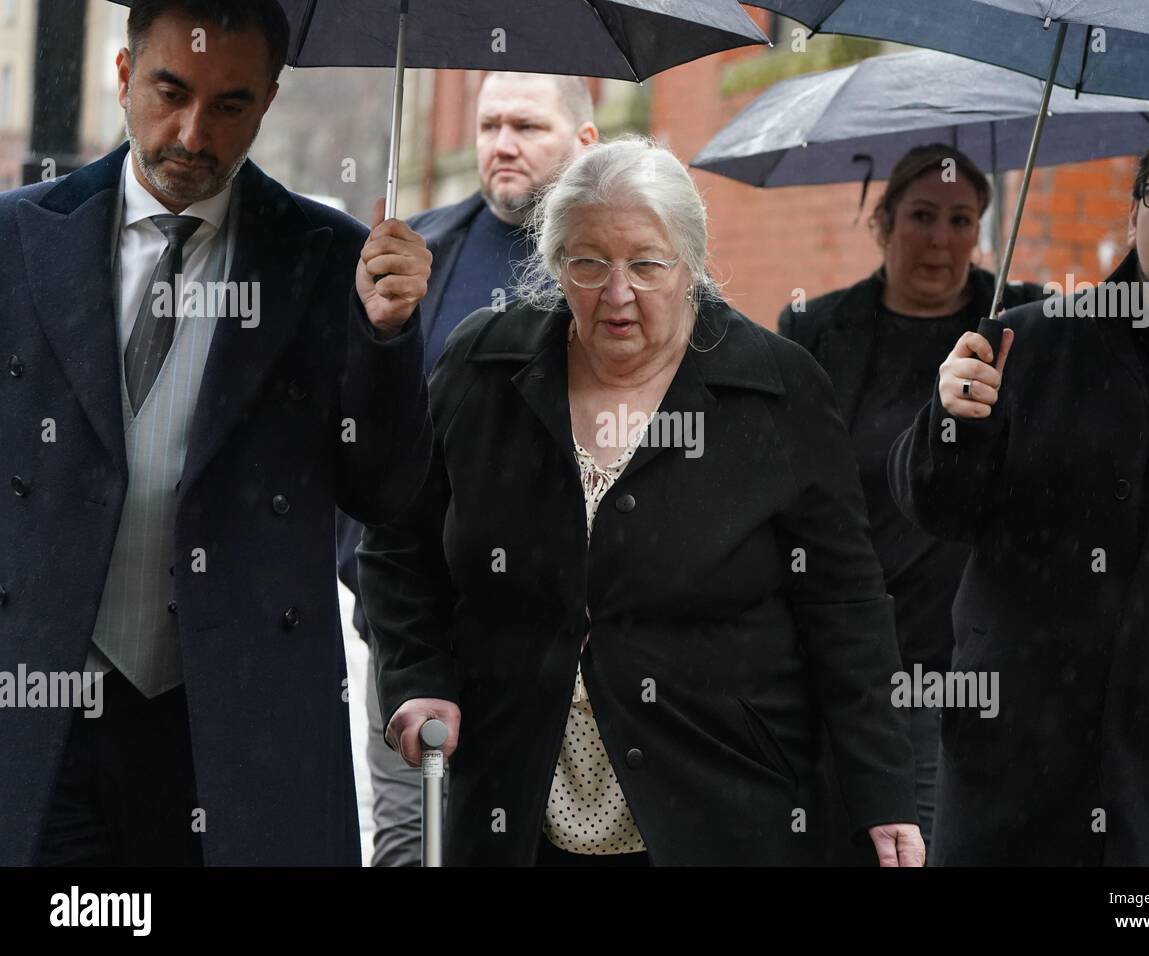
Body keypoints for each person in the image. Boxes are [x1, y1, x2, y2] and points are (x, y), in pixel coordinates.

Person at [358, 137, 924, 866]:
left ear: (691, 266)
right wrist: (417, 680)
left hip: (720, 804)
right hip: (515, 794)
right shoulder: (483, 364)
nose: (617, 294)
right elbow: (399, 539)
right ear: (555, 264)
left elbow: (846, 606)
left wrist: (882, 796)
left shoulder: (777, 389)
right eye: (588, 263)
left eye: (647, 264)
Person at [0, 0, 433, 866]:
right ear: (123, 77)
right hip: (43, 706)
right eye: (171, 91)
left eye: (230, 104)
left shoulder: (329, 258)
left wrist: (388, 340)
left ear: (268, 101)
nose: (194, 133)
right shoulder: (16, 238)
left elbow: (383, 491)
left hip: (236, 723)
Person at [890, 115, 1149, 865]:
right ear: (1135, 210)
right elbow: (935, 506)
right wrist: (951, 418)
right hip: (1014, 791)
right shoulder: (1028, 342)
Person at [335, 71, 598, 867]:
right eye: (488, 127)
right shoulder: (413, 255)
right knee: (412, 841)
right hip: (415, 624)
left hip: (557, 644)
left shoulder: (608, 267)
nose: (502, 145)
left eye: (526, 125)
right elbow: (357, 422)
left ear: (586, 142)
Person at [780, 144, 1043, 850]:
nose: (940, 238)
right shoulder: (814, 332)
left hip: (958, 653)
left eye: (962, 219)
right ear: (882, 222)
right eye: (922, 215)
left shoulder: (1025, 326)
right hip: (840, 647)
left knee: (920, 839)